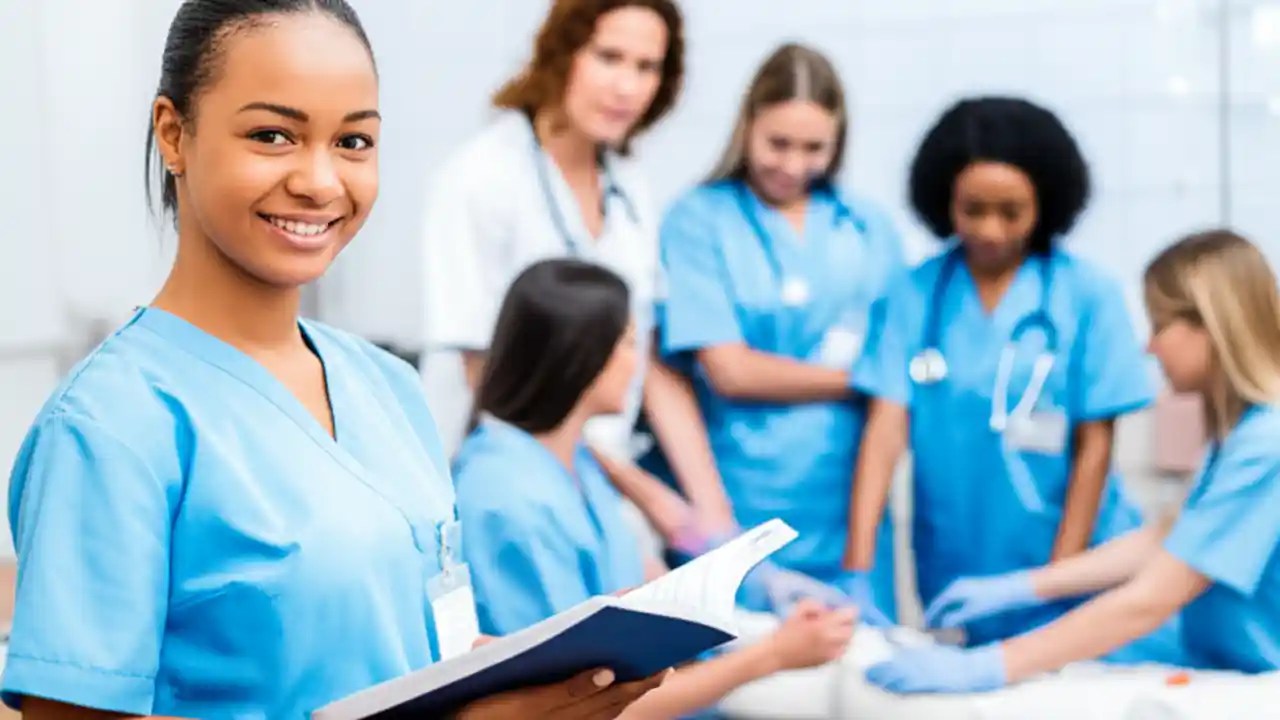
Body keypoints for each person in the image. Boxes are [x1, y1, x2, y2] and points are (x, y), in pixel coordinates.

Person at [0, 2, 664, 718]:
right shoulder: (112, 426)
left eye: (353, 142)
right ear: (173, 134)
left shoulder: (388, 389)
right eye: (273, 135)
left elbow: (421, 655)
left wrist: (560, 671)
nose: (320, 181)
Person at [865, 229, 1280, 692]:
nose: (1149, 347)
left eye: (1160, 325)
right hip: (1227, 665)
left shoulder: (1267, 446)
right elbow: (1169, 537)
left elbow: (1155, 597)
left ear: (1211, 325)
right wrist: (1026, 585)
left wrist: (991, 665)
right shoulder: (1241, 434)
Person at [454, 259, 856, 719]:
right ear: (581, 354)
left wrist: (760, 603)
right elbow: (580, 699)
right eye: (628, 343)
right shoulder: (507, 497)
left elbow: (647, 588)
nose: (638, 364)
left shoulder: (574, 462)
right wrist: (773, 656)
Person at [419, 0, 736, 553]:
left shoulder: (630, 186)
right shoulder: (482, 178)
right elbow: (488, 377)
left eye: (647, 67)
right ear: (563, 53)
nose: (627, 86)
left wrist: (718, 521)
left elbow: (648, 360)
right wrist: (642, 493)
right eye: (609, 57)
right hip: (501, 484)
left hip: (591, 477)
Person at [845, 96, 1160, 646]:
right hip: (958, 561)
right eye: (974, 210)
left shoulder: (1087, 294)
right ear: (946, 200)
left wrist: (1055, 580)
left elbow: (1094, 449)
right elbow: (884, 431)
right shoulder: (913, 294)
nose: (990, 229)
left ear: (1046, 204)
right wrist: (858, 568)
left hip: (1075, 559)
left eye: (1011, 212)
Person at [655, 43, 904, 621]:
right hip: (738, 513)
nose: (793, 165)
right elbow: (730, 371)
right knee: (735, 691)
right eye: (778, 144)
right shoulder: (698, 220)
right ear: (747, 126)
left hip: (850, 522)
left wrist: (862, 561)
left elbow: (896, 387)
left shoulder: (869, 229)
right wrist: (859, 379)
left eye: (813, 147)